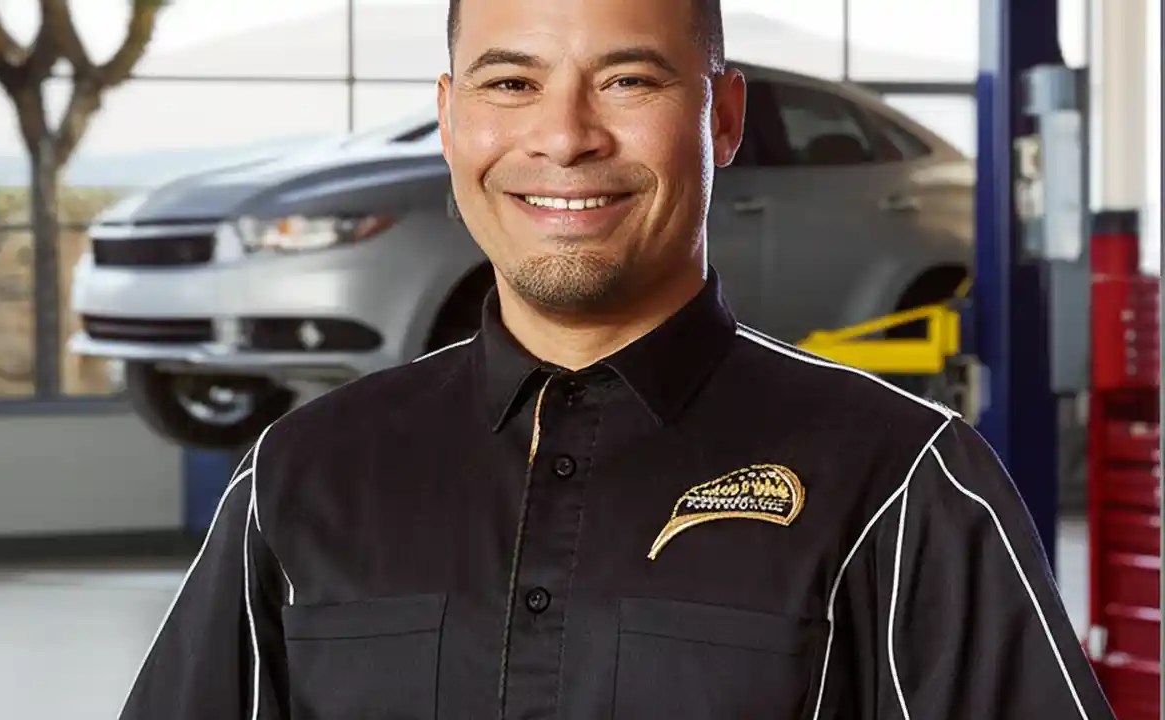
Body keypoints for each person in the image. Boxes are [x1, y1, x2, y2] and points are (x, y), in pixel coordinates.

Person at [118, 0, 1117, 717]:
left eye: (626, 81)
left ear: (720, 119)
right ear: (451, 115)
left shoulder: (902, 485)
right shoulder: (299, 475)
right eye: (510, 83)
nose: (563, 137)